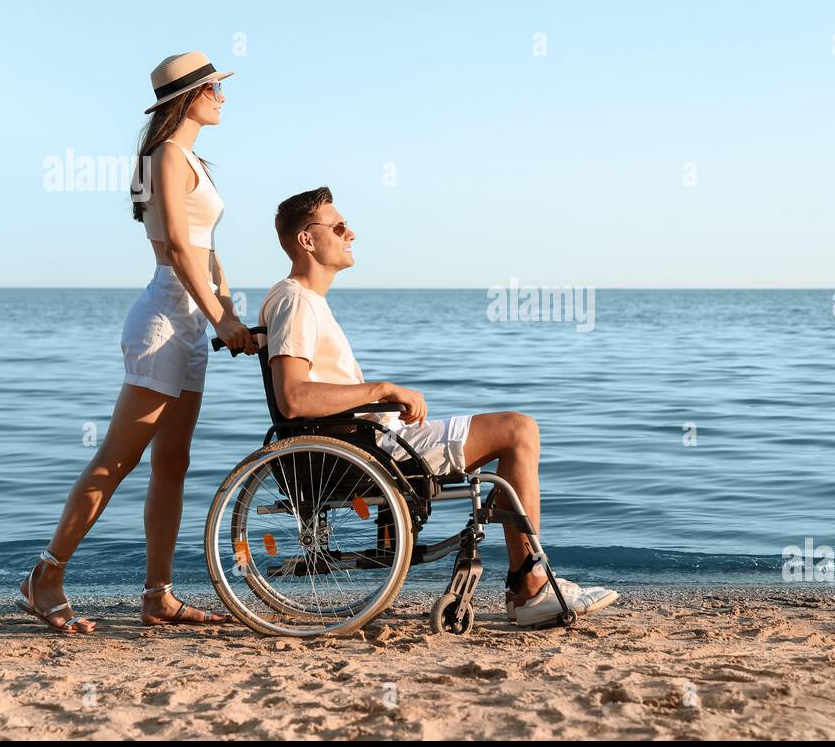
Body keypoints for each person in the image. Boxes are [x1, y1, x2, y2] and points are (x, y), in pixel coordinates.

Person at [258, 187, 617, 627]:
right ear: (307, 241)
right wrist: (381, 389)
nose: (351, 232)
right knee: (518, 430)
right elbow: (293, 398)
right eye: (337, 226)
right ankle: (530, 589)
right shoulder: (296, 301)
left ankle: (530, 583)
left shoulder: (304, 301)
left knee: (516, 431)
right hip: (369, 451)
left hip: (367, 441)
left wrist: (382, 397)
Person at [17, 51, 258, 633]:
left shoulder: (189, 159)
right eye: (214, 89)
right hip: (163, 324)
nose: (222, 97)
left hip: (192, 323)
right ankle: (44, 576)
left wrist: (227, 309)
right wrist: (218, 317)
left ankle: (158, 595)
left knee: (172, 465)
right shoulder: (167, 157)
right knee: (117, 460)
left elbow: (205, 248)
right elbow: (177, 247)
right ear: (189, 97)